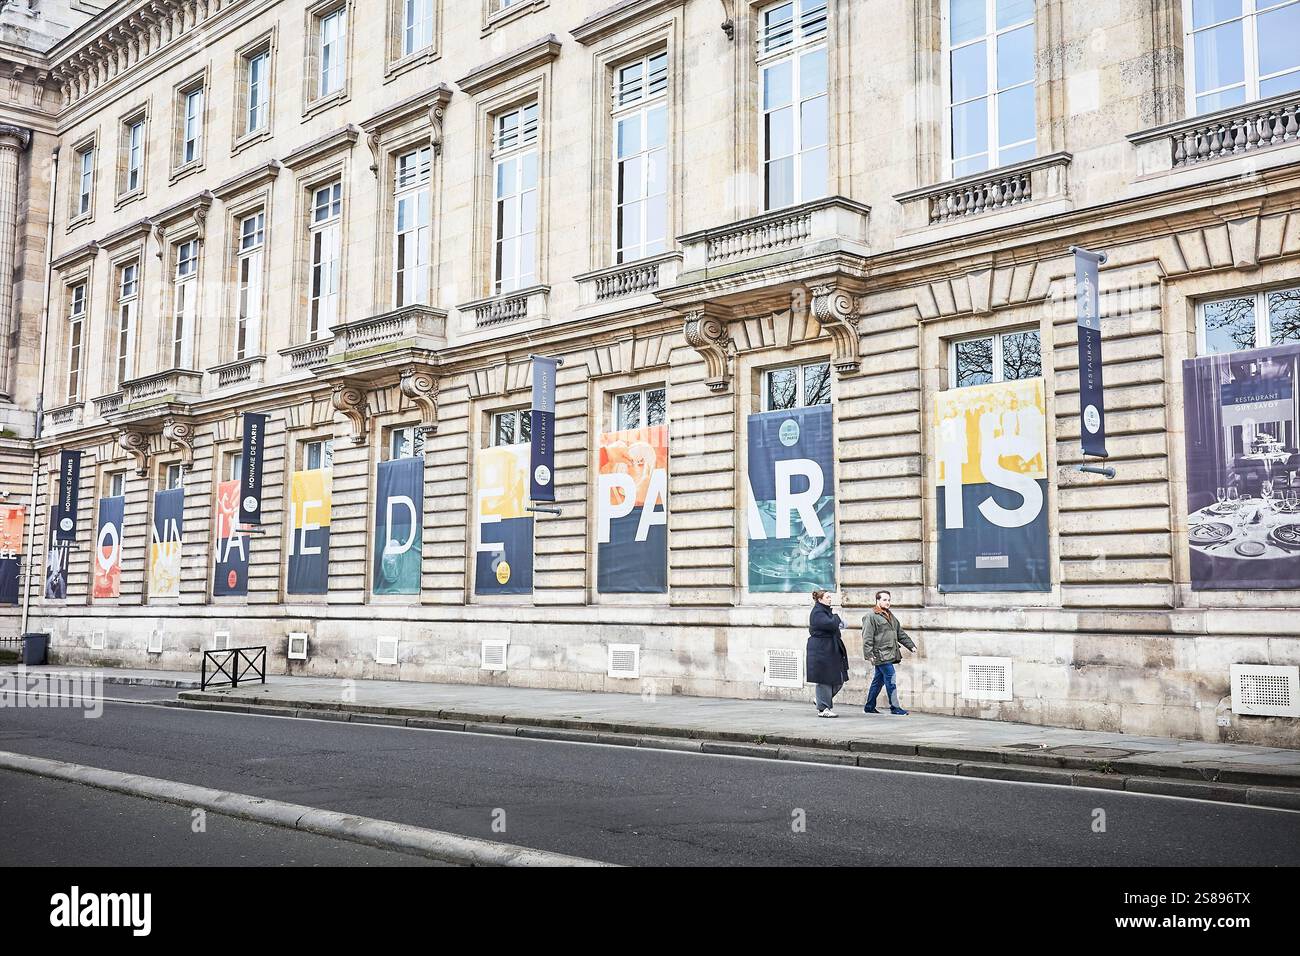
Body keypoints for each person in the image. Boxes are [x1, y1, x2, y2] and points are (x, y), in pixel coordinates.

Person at [862, 590, 916, 715]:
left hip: (889, 653)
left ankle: (869, 706)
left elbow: (900, 633)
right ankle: (895, 707)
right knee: (891, 679)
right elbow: (867, 637)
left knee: (878, 681)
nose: (887, 602)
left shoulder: (890, 616)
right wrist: (869, 654)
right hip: (880, 654)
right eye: (885, 600)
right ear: (878, 600)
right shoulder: (870, 616)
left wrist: (911, 645)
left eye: (889, 600)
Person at [807, 588, 850, 717]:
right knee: (824, 679)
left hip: (830, 648)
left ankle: (820, 700)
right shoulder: (818, 612)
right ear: (820, 599)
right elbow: (830, 624)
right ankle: (823, 709)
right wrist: (837, 618)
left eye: (830, 597)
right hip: (821, 650)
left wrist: (838, 623)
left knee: (839, 679)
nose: (830, 599)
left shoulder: (825, 611)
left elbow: (836, 625)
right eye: (827, 597)